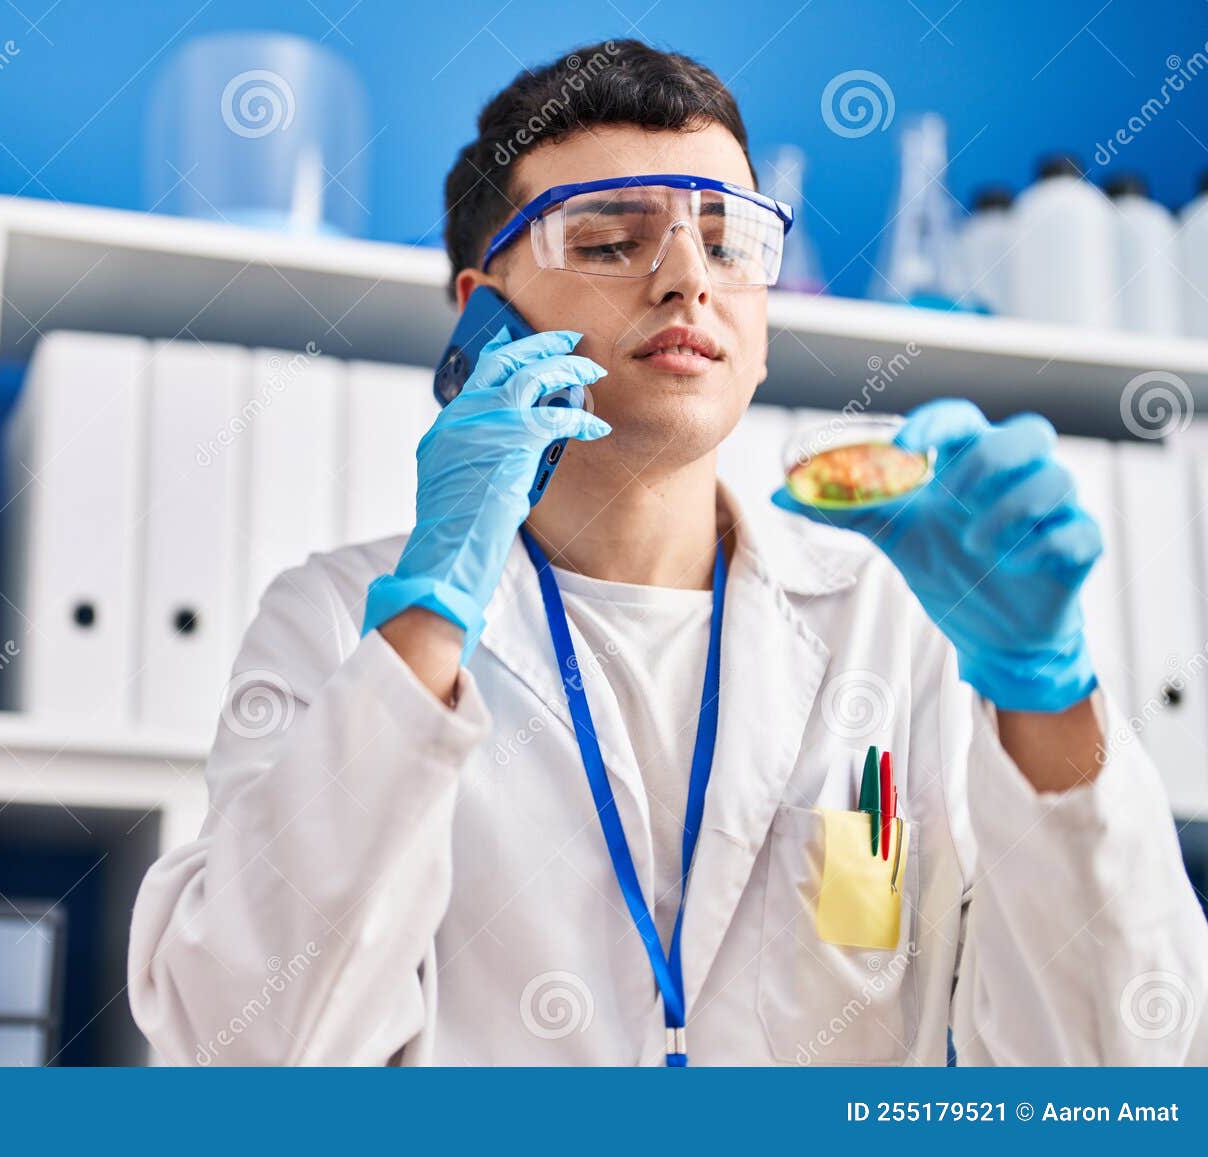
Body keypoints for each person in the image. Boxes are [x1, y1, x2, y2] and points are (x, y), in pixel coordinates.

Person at [128, 40, 1207, 1065]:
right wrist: (430, 615)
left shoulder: (902, 622)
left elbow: (1117, 1073)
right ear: (484, 315)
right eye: (610, 240)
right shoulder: (334, 619)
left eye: (729, 241)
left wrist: (1043, 689)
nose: (689, 278)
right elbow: (246, 1055)